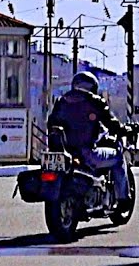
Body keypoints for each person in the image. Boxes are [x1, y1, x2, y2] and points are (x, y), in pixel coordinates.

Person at [46, 71, 133, 201]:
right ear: (93, 87)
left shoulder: (61, 102)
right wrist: (127, 129)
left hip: (64, 152)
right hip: (86, 152)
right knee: (118, 157)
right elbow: (113, 125)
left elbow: (51, 124)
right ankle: (123, 198)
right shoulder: (95, 101)